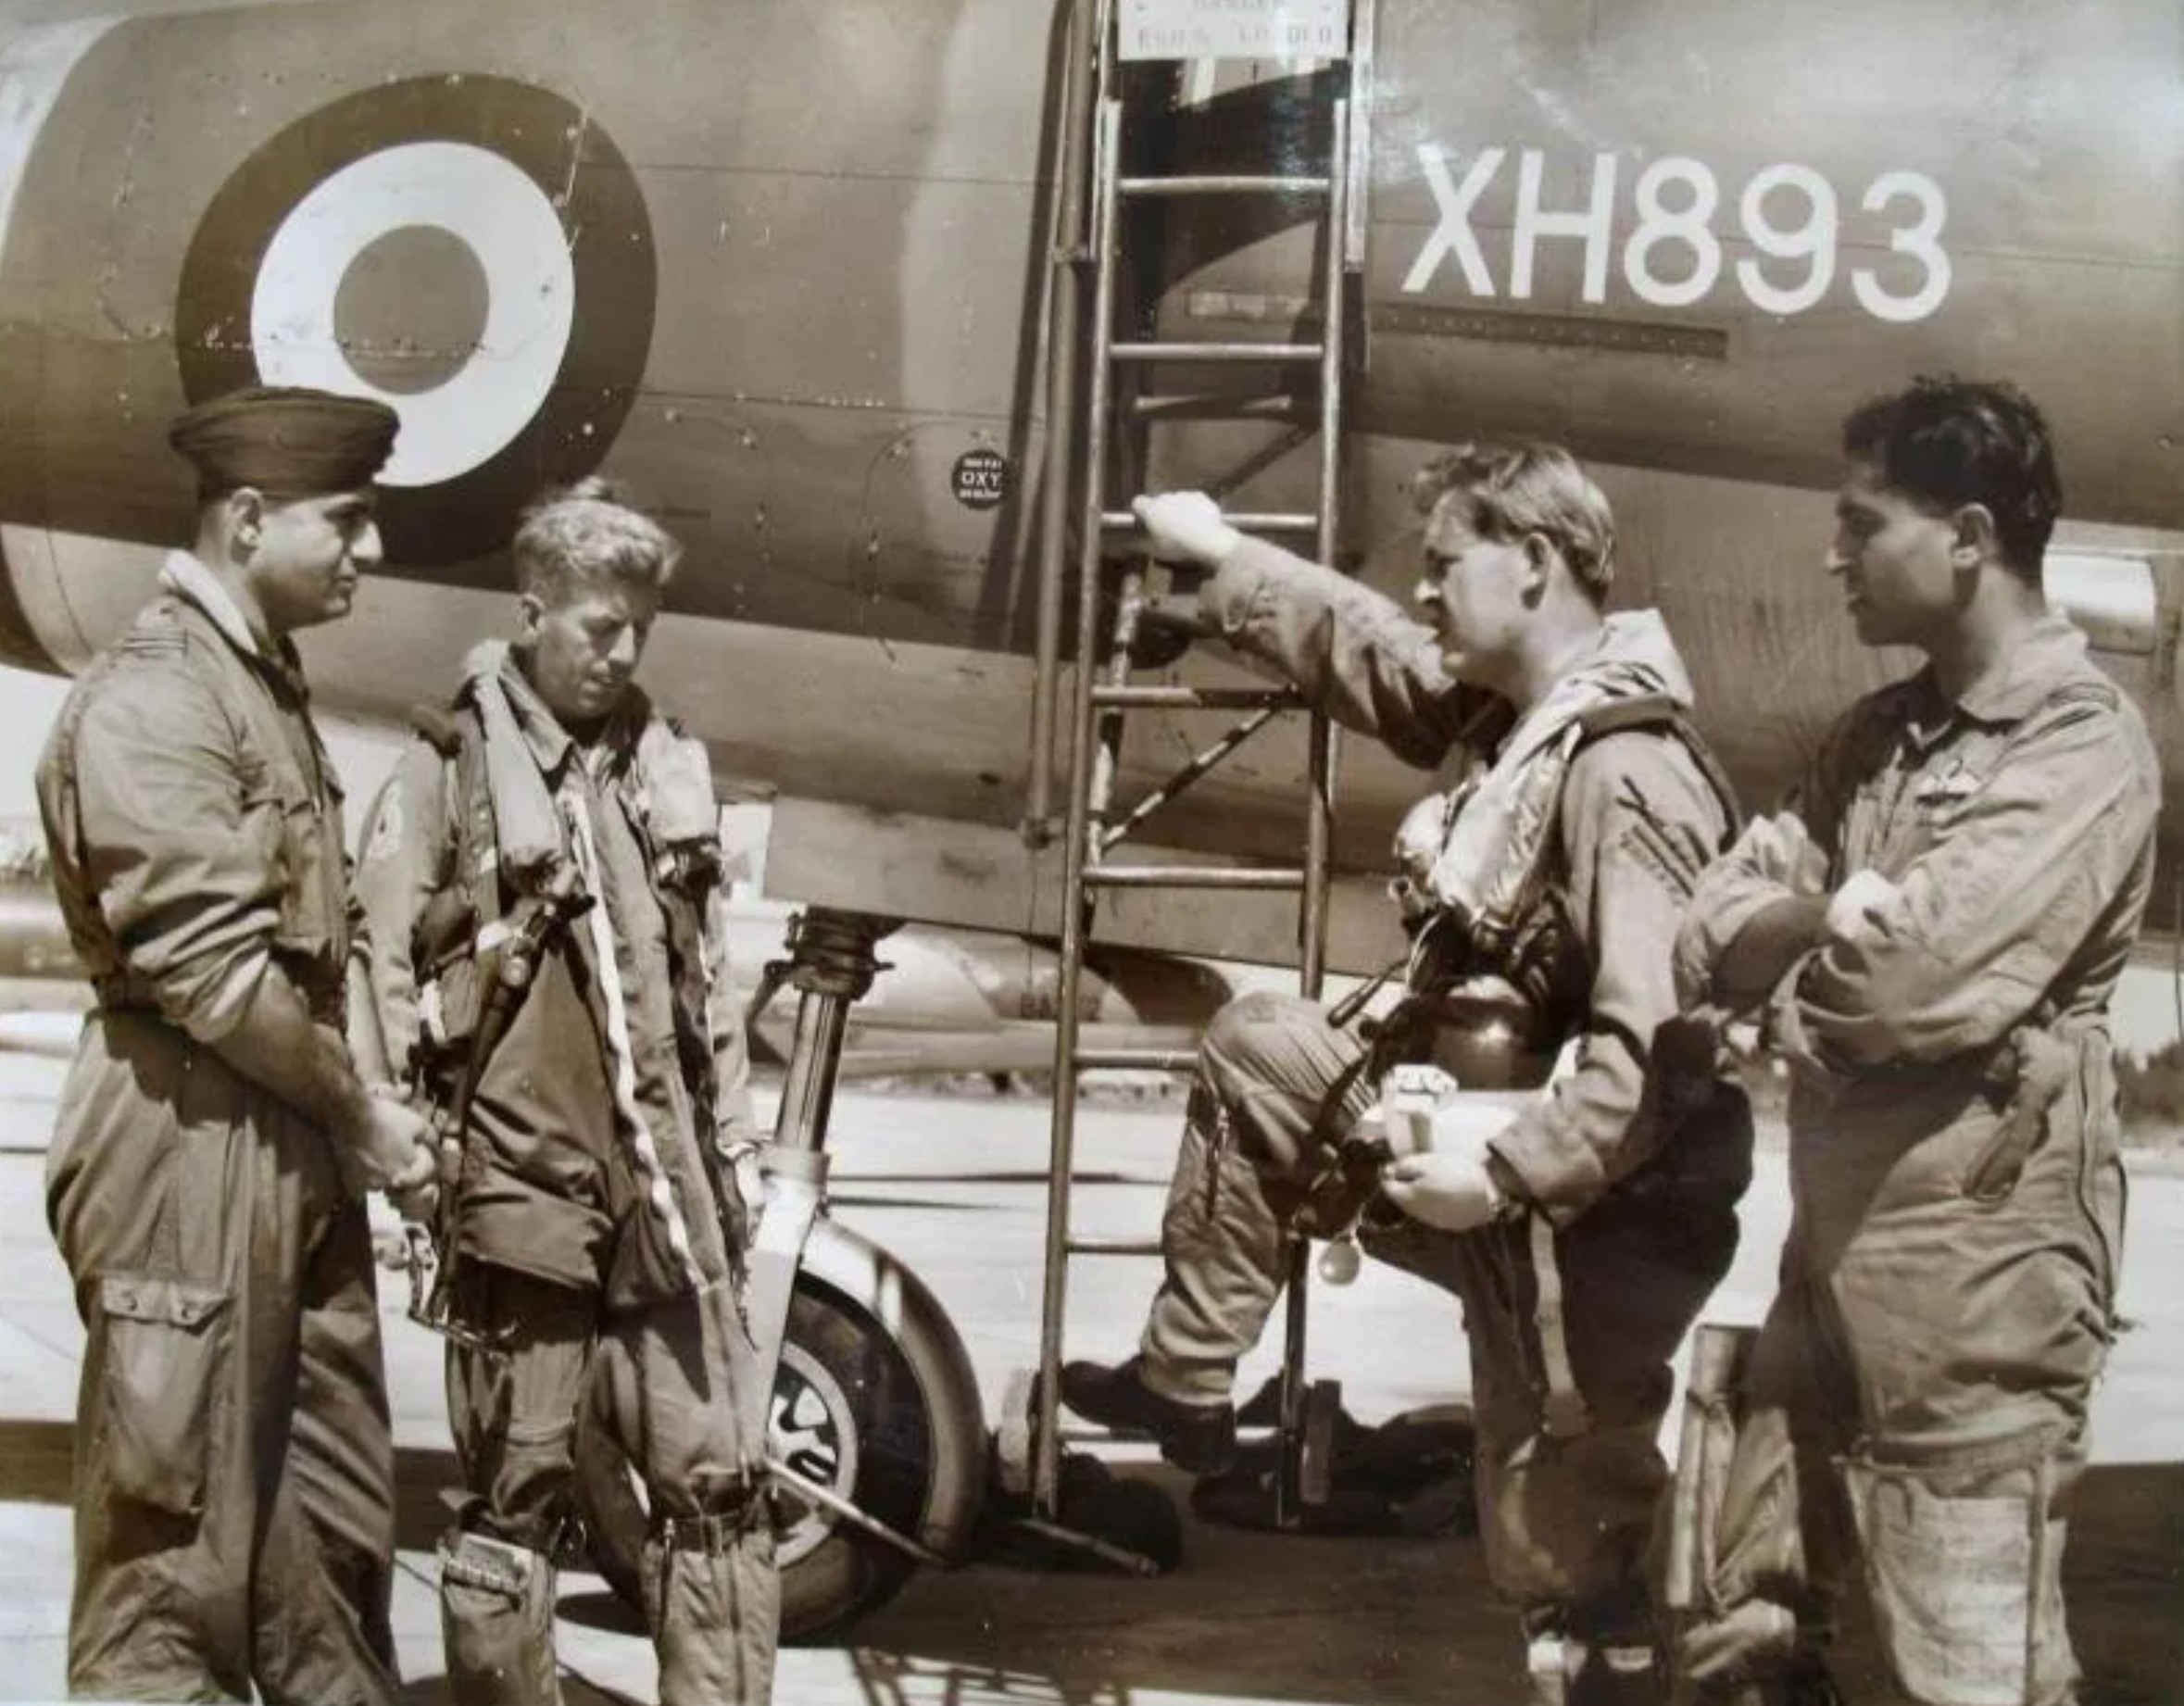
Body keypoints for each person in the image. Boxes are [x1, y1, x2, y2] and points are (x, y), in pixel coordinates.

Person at [1061, 444, 1752, 1704]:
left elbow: (1656, 1053)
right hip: (1491, 1152)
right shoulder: (1524, 721)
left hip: (1593, 1211)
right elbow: (1378, 652)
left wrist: (1500, 1173)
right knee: (1262, 1051)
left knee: (1565, 1535)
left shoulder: (1624, 770)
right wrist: (1226, 561)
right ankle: (1187, 1381)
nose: (1423, 590)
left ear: (1532, 563)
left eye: (1443, 564)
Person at [1667, 378, 2159, 1706]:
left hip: (1976, 1289)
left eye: (1861, 523)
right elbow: (1705, 925)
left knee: (1970, 1673)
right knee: (1746, 1643)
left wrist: (1772, 992)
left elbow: (1910, 988)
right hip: (1826, 1274)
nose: (1833, 556)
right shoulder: (1876, 738)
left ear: (1969, 536)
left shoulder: (2080, 744)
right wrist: (1818, 918)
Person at [35, 384, 434, 1703]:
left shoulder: (257, 683)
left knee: (329, 1559)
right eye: (349, 519)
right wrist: (363, 1117)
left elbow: (319, 944)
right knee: (171, 1583)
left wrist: (355, 1112)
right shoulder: (157, 698)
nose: (372, 549)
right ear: (251, 518)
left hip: (282, 1130)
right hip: (186, 1150)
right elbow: (214, 975)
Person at [351, 477, 776, 1706]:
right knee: (516, 1503)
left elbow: (706, 981)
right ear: (533, 613)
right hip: (519, 1197)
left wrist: (737, 1144)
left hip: (668, 1195)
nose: (622, 652)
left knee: (717, 1490)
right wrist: (406, 1152)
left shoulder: (662, 768)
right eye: (599, 626)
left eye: (641, 627)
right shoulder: (445, 773)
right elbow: (378, 971)